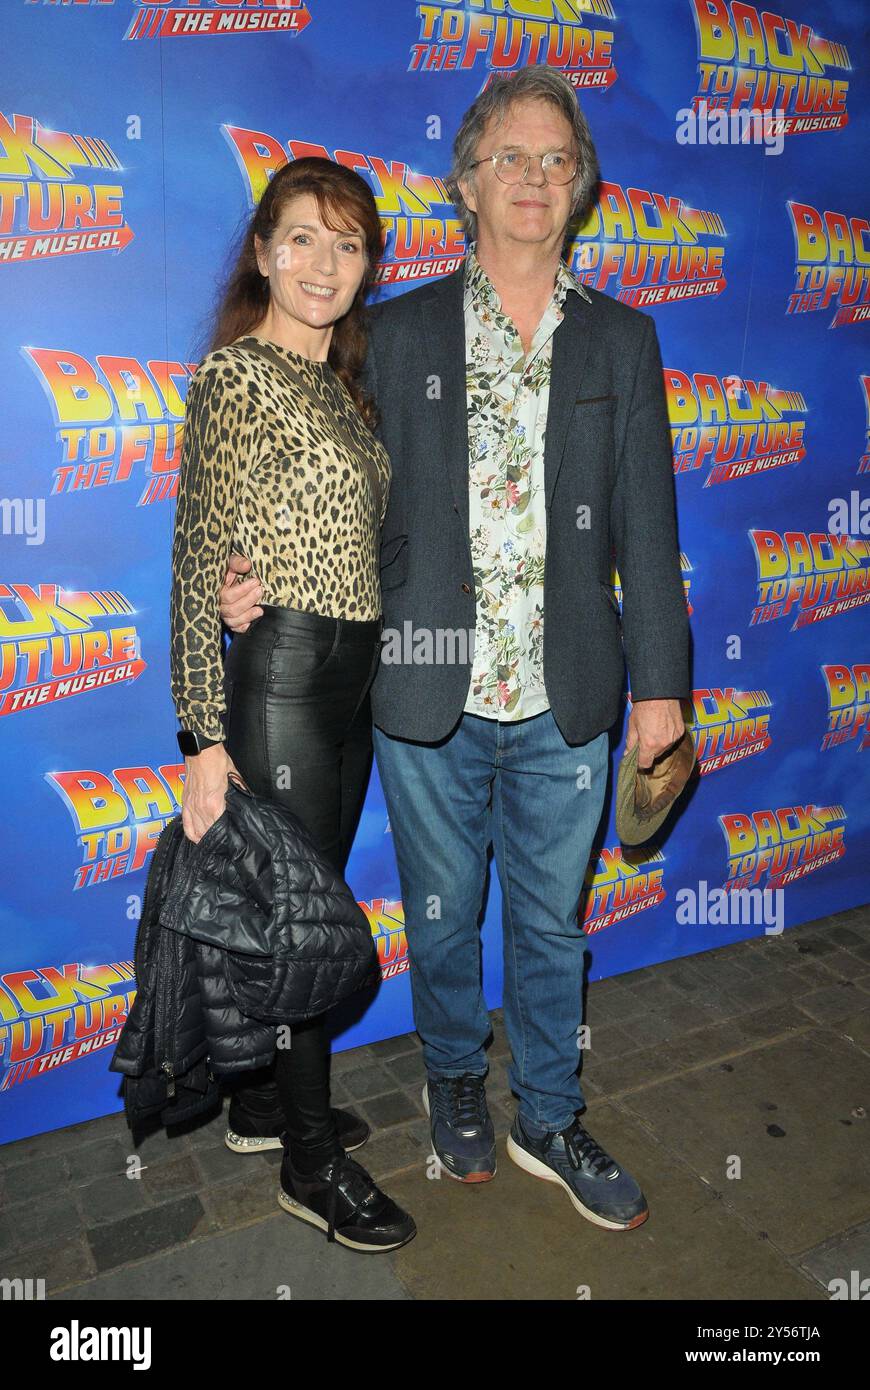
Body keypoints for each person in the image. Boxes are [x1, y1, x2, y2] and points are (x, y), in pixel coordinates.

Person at [218, 67, 691, 1232]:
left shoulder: (625, 341)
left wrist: (664, 692)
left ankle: (550, 1111)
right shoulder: (394, 330)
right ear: (467, 182)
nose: (533, 178)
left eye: (556, 161)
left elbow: (651, 522)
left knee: (551, 923)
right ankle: (448, 1084)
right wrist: (256, 576)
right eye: (509, 159)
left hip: (572, 691)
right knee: (439, 916)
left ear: (579, 189)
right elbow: (326, 482)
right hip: (424, 682)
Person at [169, 155, 415, 1252]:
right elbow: (191, 564)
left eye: (348, 242)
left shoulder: (342, 387)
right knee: (307, 927)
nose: (325, 262)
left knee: (290, 917)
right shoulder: (237, 377)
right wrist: (201, 736)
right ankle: (310, 1165)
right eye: (303, 238)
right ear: (263, 251)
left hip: (350, 680)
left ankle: (266, 1104)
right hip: (280, 681)